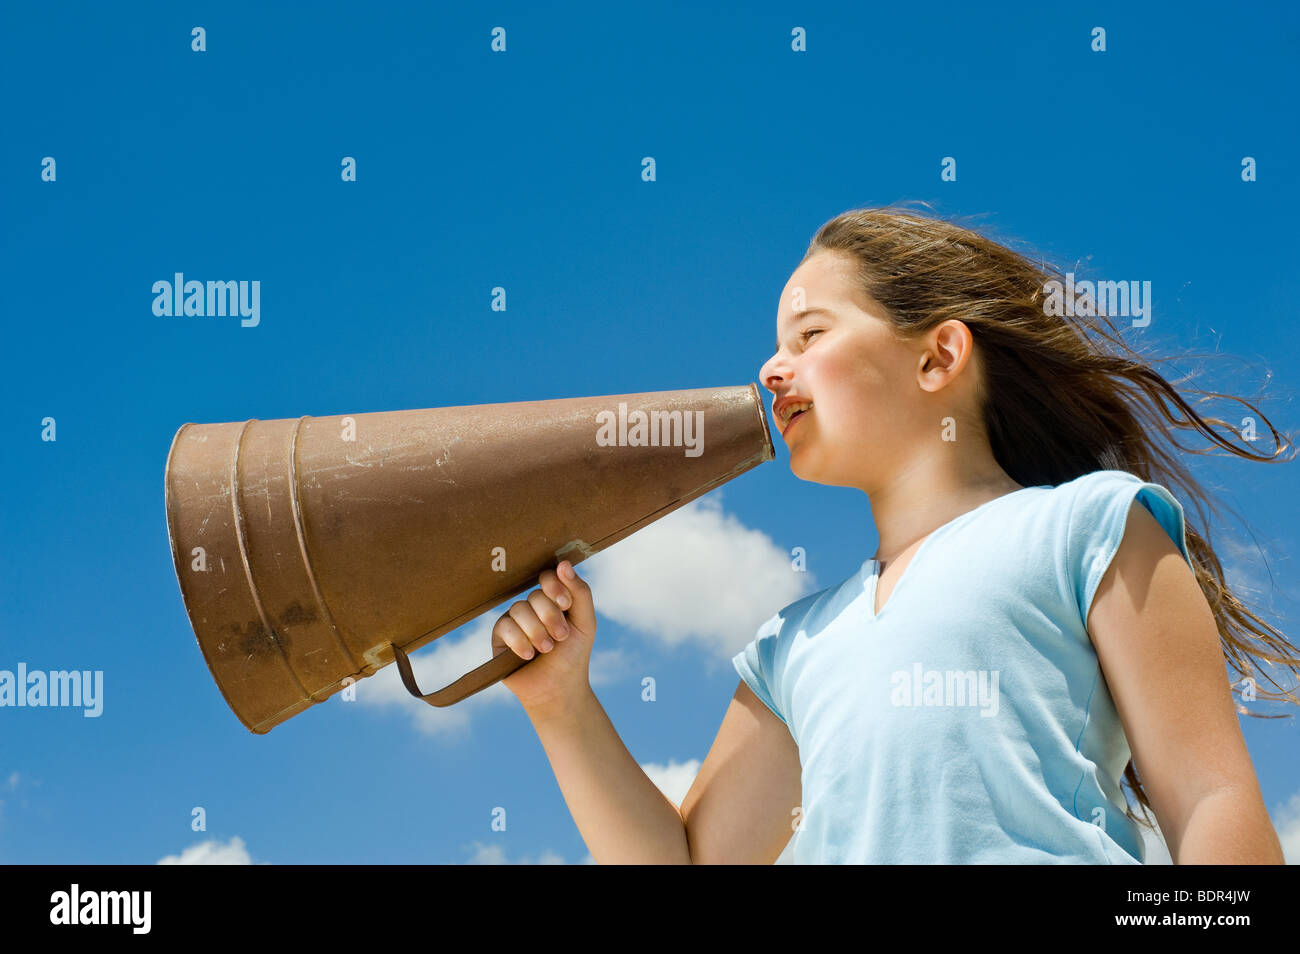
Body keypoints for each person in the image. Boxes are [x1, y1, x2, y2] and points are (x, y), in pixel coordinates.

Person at [489, 203, 1299, 864]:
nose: (772, 369)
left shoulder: (1085, 527)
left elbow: (1214, 807)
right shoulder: (791, 642)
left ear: (938, 357)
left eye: (810, 336)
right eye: (776, 346)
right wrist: (564, 702)